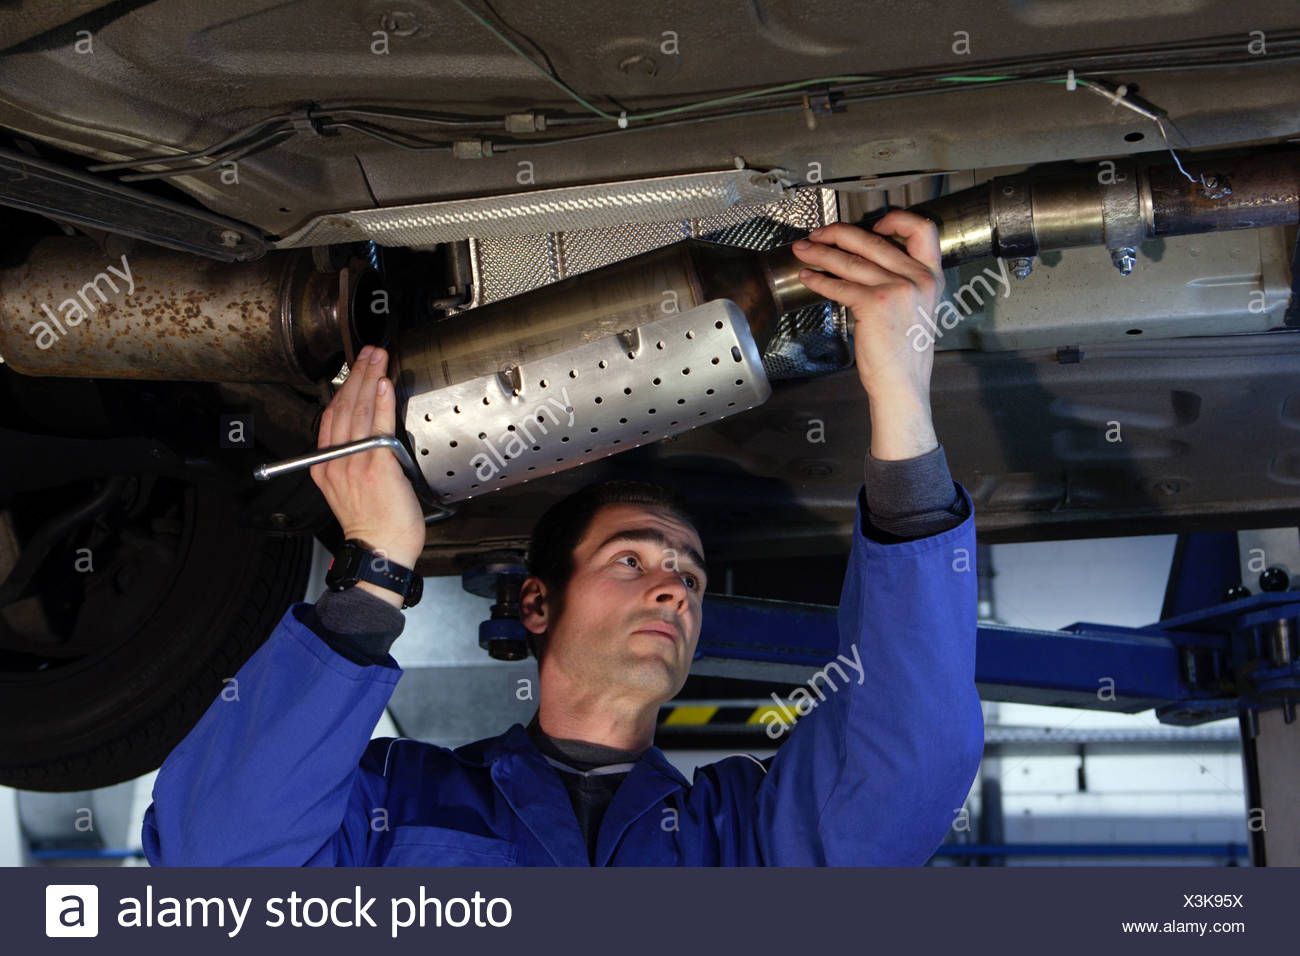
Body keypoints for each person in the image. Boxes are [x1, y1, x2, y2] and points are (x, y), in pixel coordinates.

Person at [142, 211, 984, 866]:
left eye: (686, 575)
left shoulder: (742, 838)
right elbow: (219, 860)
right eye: (638, 561)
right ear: (537, 602)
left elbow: (908, 769)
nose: (675, 590)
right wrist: (370, 578)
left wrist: (366, 579)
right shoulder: (403, 804)